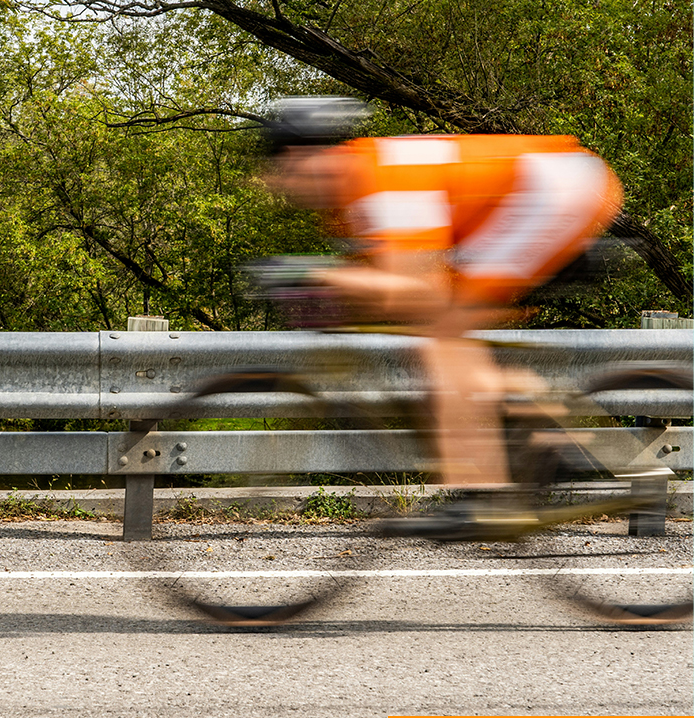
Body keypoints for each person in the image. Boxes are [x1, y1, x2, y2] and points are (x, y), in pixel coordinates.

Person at [265, 97, 624, 489]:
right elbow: (389, 279)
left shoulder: (381, 177)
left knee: (440, 341)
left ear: (305, 156)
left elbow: (418, 290)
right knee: (440, 337)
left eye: (283, 169)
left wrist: (314, 273)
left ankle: (479, 492)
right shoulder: (347, 201)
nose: (280, 183)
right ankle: (543, 428)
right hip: (521, 203)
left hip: (555, 193)